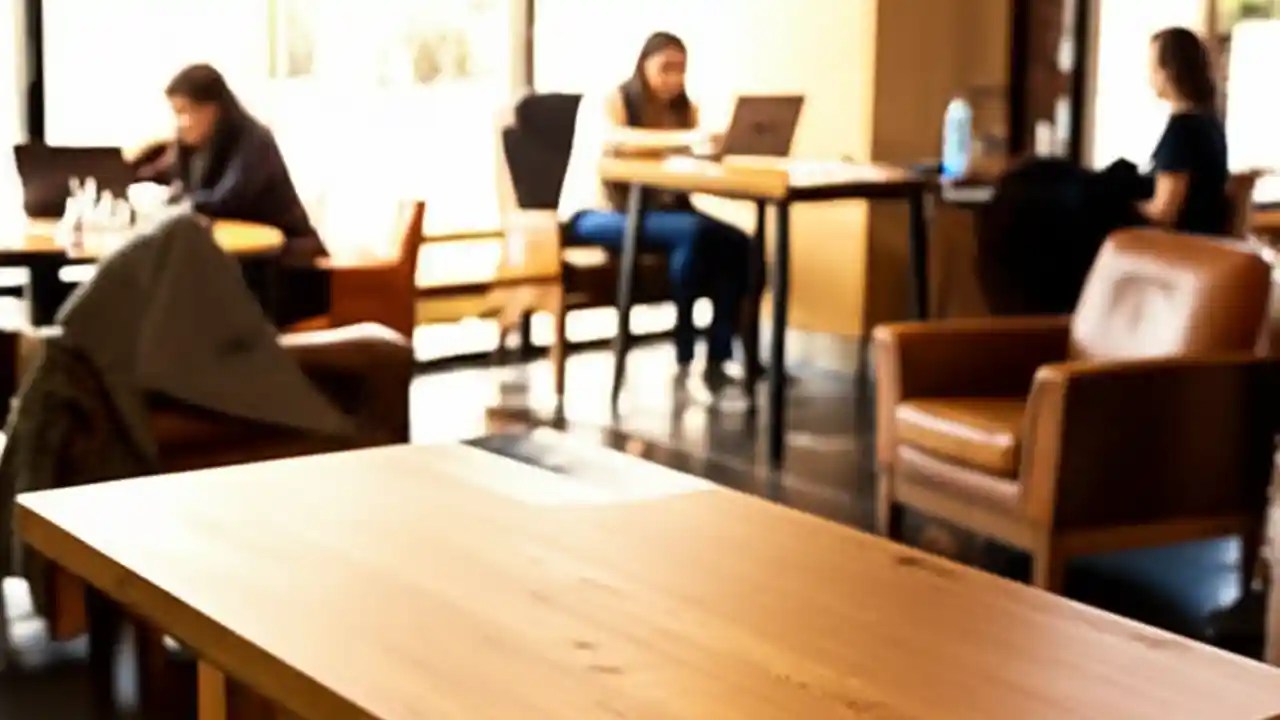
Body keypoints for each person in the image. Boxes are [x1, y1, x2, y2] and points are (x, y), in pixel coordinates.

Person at [557, 32, 751, 389]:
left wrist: (719, 144)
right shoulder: (613, 99)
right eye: (666, 68)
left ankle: (723, 355)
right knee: (692, 232)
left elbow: (685, 169)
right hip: (596, 216)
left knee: (739, 243)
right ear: (643, 65)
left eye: (681, 69)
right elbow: (615, 141)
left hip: (659, 213)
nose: (673, 78)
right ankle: (684, 347)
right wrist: (684, 140)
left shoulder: (684, 111)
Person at [129, 63, 328, 327]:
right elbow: (164, 181)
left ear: (213, 109)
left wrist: (177, 204)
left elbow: (227, 200)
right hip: (233, 259)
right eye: (175, 113)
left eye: (185, 111)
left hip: (283, 261)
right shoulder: (192, 147)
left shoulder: (254, 142)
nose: (180, 122)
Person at [1141, 27, 1228, 235]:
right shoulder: (1209, 124)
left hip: (1181, 247)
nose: (1150, 76)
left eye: (1154, 68)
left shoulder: (1182, 132)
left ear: (1170, 71)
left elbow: (1163, 213)